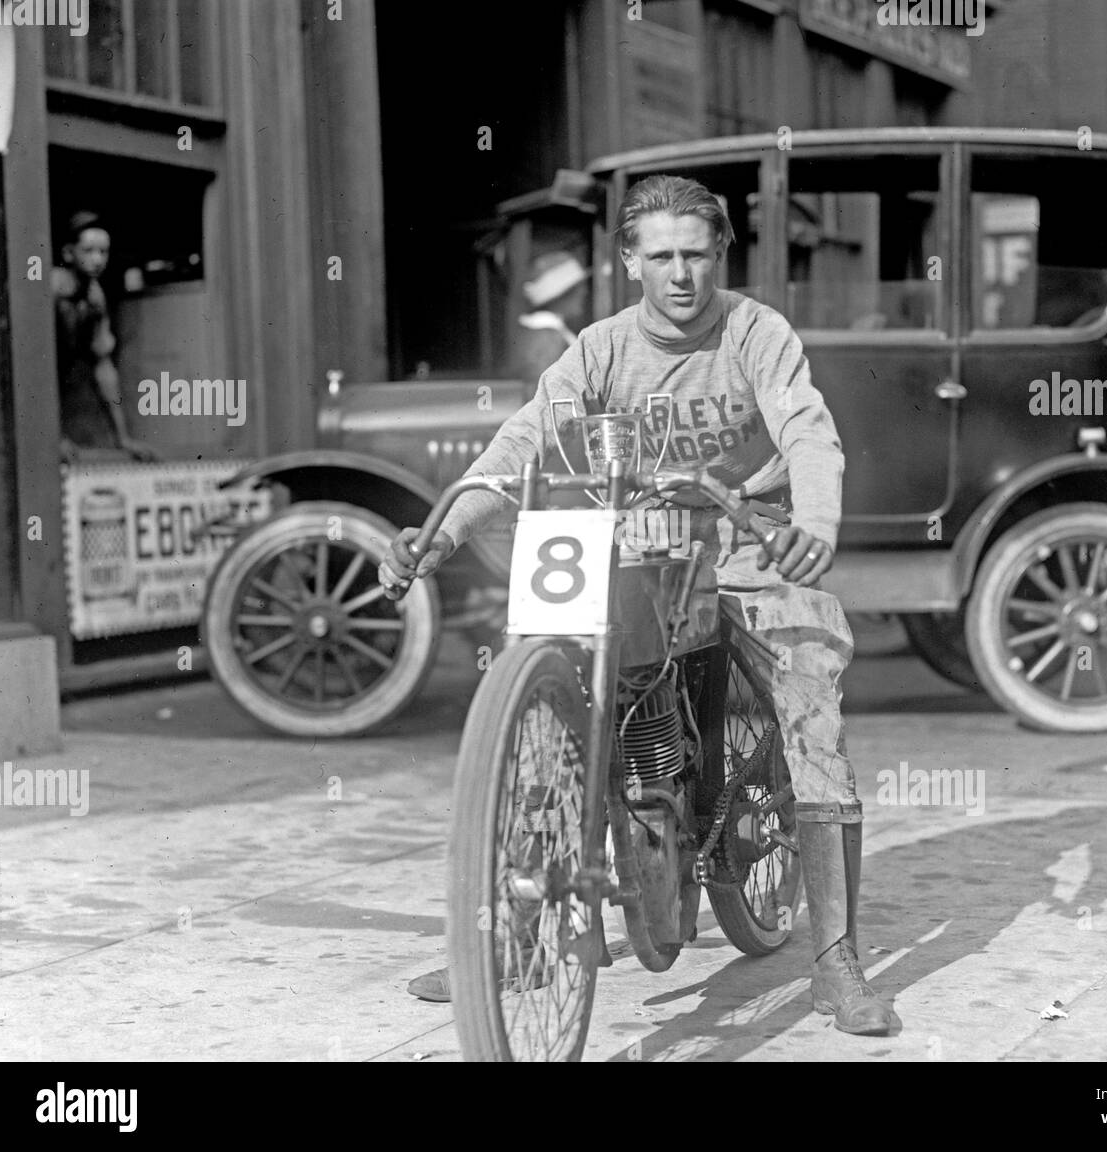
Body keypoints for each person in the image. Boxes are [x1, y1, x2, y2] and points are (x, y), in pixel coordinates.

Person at [379, 174, 898, 1037]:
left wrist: (813, 522)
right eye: (661, 257)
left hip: (743, 539)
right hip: (628, 544)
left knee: (811, 699)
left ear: (720, 255)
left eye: (696, 254)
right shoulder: (600, 348)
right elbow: (522, 443)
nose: (681, 274)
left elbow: (807, 427)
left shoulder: (756, 333)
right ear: (629, 262)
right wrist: (443, 531)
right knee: (549, 708)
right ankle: (510, 936)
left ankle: (835, 959)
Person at [52, 211, 157, 462]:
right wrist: (50, 437)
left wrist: (123, 438)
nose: (97, 259)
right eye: (88, 251)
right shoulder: (50, 288)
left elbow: (103, 365)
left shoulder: (95, 297)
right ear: (69, 253)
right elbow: (32, 366)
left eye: (103, 251)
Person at [515, 250, 590, 393]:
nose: (584, 292)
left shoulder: (549, 332)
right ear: (561, 294)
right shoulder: (547, 338)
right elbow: (540, 394)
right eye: (578, 288)